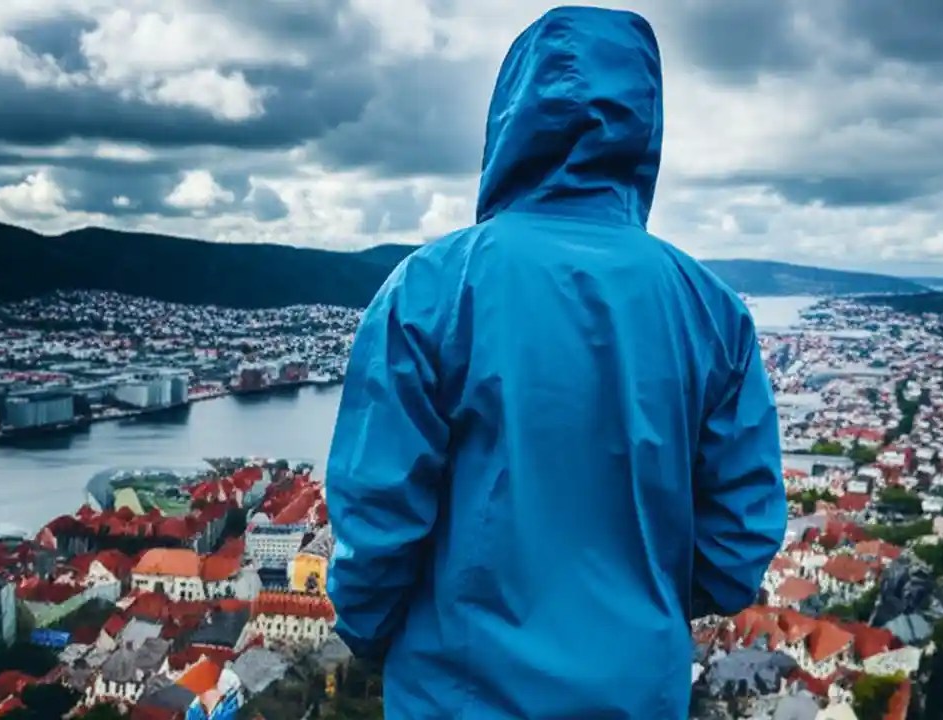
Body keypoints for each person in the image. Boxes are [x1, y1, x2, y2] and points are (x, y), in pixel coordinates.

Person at [325, 6, 787, 718]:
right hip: (638, 694)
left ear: (511, 119)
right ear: (645, 122)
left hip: (455, 693)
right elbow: (740, 541)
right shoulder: (712, 310)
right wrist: (644, 607)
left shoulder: (432, 289)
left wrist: (372, 631)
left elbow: (377, 518)